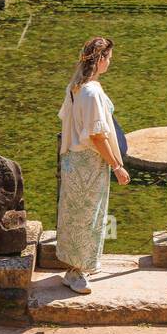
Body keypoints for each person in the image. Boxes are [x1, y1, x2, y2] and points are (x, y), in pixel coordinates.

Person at [56, 36, 130, 294]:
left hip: (73, 162)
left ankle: (75, 268)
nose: (110, 63)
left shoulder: (75, 86)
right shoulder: (91, 91)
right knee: (86, 217)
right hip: (88, 163)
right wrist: (117, 166)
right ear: (99, 60)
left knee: (77, 215)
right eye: (108, 58)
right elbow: (97, 135)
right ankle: (76, 272)